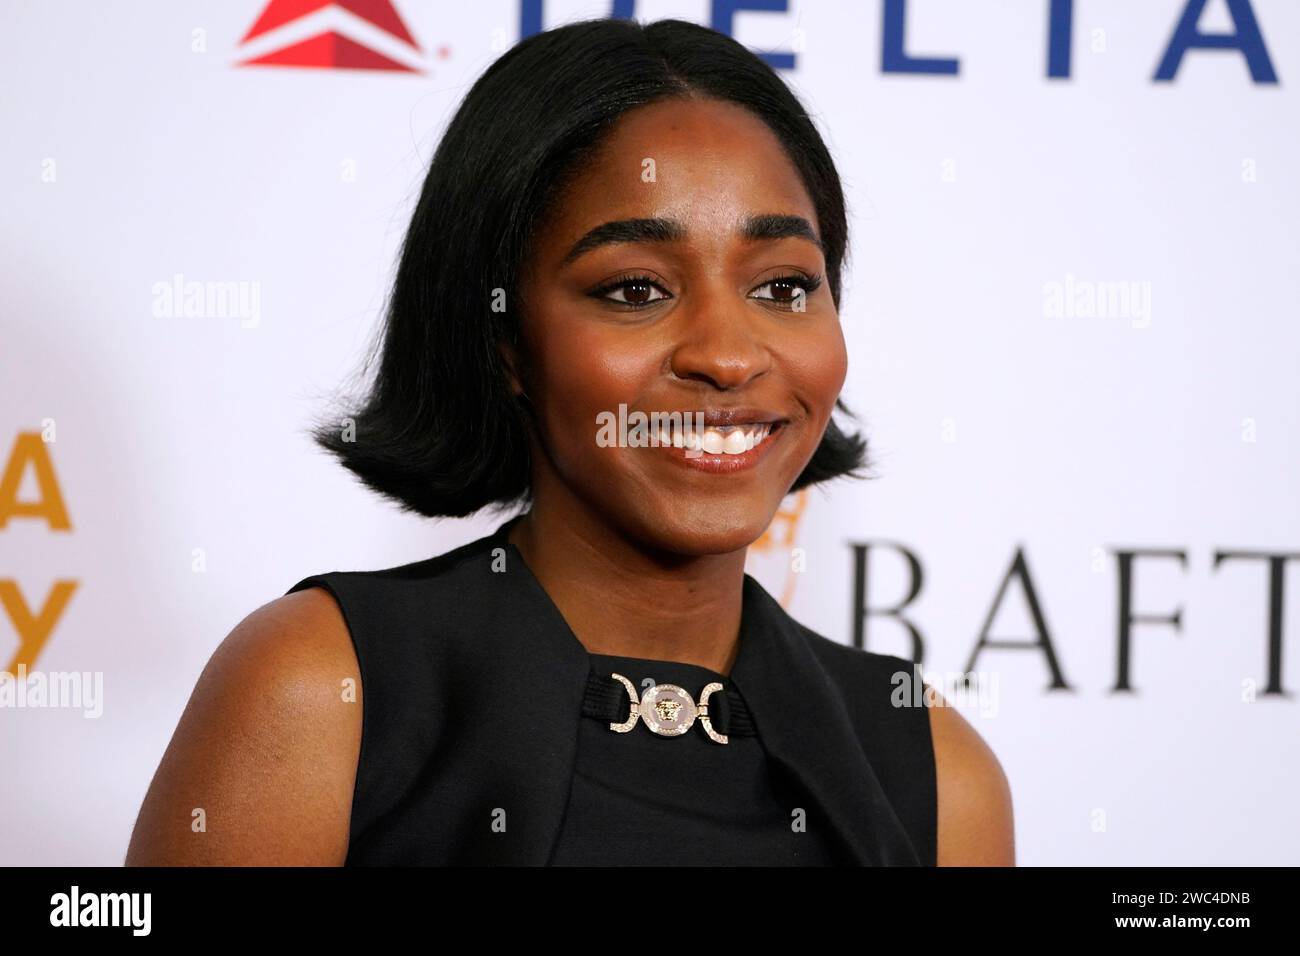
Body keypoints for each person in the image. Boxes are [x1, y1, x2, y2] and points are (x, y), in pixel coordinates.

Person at [126, 16, 1013, 866]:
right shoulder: (325, 691)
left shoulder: (933, 768)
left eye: (783, 287)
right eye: (635, 289)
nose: (729, 355)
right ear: (505, 341)